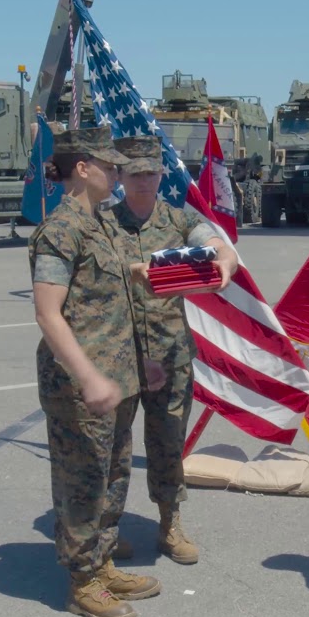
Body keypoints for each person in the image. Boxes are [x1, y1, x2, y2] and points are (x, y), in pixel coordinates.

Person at [28, 125, 169, 617]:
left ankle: (102, 561)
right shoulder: (61, 230)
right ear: (82, 168)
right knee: (82, 481)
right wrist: (88, 377)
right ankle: (82, 580)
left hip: (118, 375)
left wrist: (138, 359)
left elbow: (117, 298)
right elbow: (49, 314)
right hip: (80, 384)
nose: (118, 172)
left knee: (112, 475)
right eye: (109, 165)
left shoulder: (101, 225)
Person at [103, 134, 239, 566]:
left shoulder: (180, 221)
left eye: (151, 172)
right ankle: (106, 529)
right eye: (135, 172)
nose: (144, 180)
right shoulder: (103, 223)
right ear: (120, 175)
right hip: (119, 355)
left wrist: (225, 261)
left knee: (167, 443)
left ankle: (169, 523)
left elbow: (216, 244)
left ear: (162, 174)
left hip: (169, 354)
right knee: (114, 447)